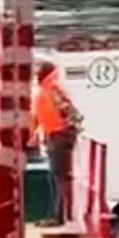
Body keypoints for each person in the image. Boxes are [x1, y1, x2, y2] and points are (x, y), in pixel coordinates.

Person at [34, 61, 83, 226]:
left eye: (38, 71)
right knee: (58, 177)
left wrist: (65, 133)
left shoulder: (53, 89)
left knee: (59, 178)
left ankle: (58, 215)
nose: (36, 74)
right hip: (56, 135)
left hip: (59, 137)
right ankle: (59, 213)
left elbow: (68, 112)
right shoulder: (51, 88)